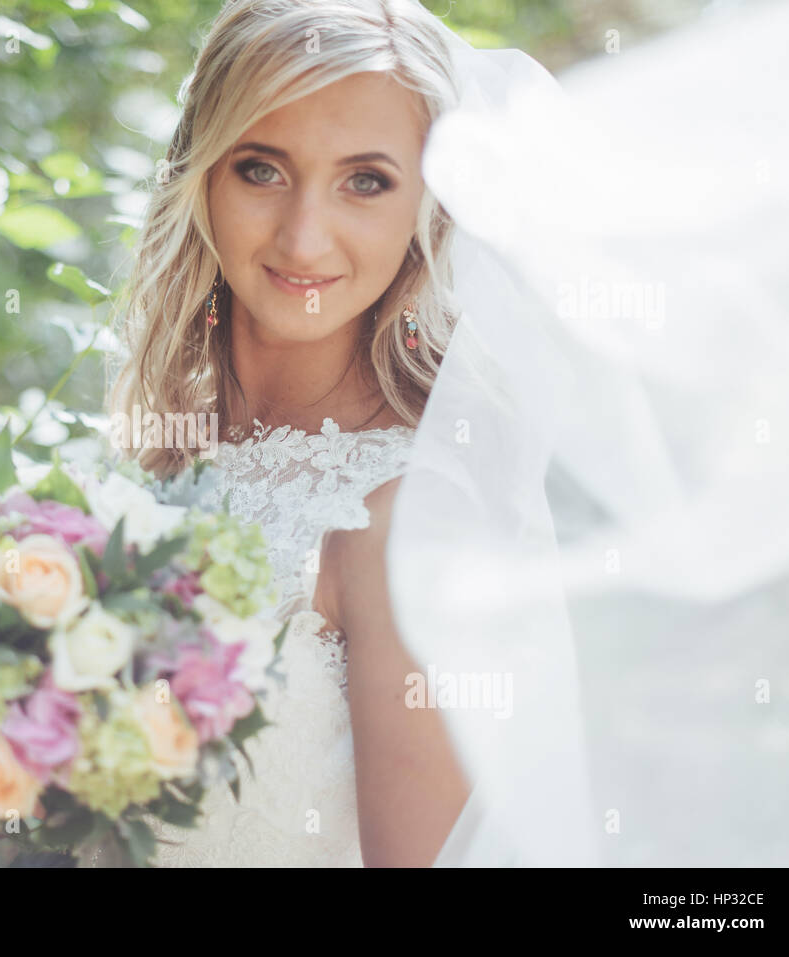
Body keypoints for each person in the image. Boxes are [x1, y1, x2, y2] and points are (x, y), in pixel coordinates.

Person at [105, 0, 501, 866]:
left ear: (429, 206)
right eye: (261, 168)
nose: (304, 236)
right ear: (201, 173)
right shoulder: (152, 446)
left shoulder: (399, 515)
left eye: (366, 180)